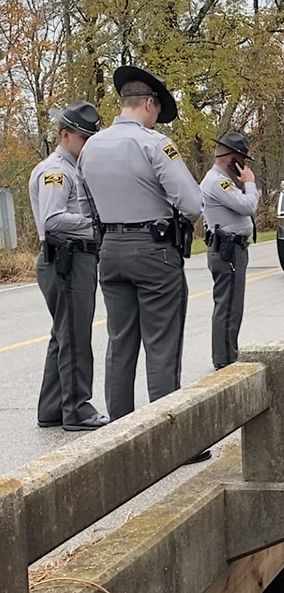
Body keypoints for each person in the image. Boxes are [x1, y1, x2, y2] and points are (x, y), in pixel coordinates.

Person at [80, 66, 208, 463]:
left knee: (120, 342)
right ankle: (168, 440)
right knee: (161, 344)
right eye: (157, 110)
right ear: (149, 105)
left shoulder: (91, 146)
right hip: (153, 251)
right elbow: (192, 203)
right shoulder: (155, 144)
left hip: (110, 249)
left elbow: (86, 207)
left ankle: (120, 434)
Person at [27, 101, 109, 431]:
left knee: (63, 335)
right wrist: (95, 226)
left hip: (72, 258)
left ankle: (51, 408)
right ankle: (77, 408)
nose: (89, 144)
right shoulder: (56, 171)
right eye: (84, 138)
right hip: (67, 259)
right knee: (74, 336)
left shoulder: (75, 168)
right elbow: (52, 220)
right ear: (65, 135)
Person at [200, 132, 258, 370]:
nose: (243, 166)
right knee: (228, 306)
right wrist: (249, 183)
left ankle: (227, 352)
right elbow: (248, 206)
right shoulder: (218, 181)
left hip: (231, 248)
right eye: (242, 160)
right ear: (232, 159)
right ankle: (225, 359)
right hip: (227, 249)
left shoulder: (221, 181)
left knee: (232, 305)